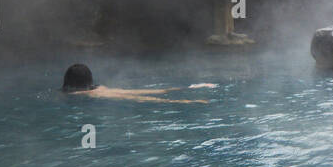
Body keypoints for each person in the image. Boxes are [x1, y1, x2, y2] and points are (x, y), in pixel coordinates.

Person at [61, 64, 217, 102]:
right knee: (161, 91)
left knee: (156, 100)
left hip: (100, 94)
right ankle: (192, 87)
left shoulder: (79, 93)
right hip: (106, 89)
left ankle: (190, 101)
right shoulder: (98, 87)